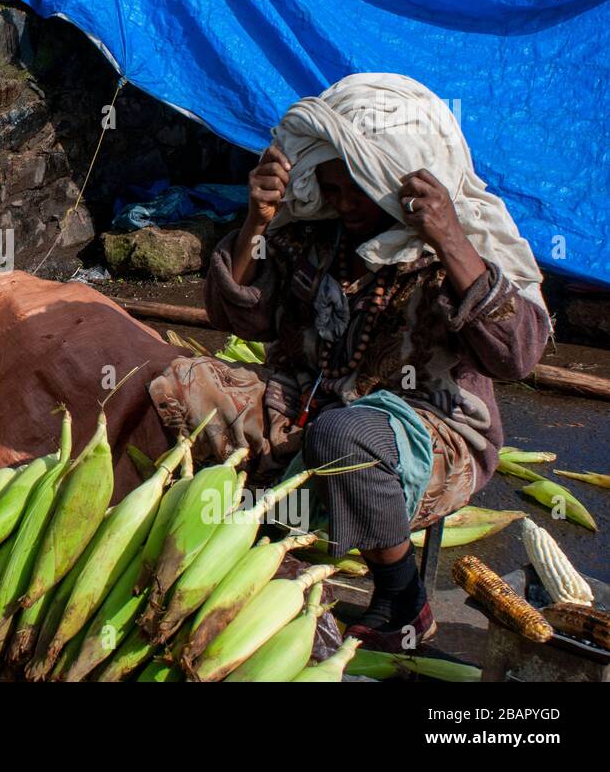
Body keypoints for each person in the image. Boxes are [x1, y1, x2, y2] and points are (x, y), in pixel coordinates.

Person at [147, 73, 550, 651]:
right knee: (182, 383)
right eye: (331, 188)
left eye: (357, 189)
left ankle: (404, 600)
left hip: (427, 437)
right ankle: (222, 541)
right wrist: (256, 224)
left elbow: (516, 356)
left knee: (344, 434)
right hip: (305, 406)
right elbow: (242, 319)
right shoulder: (316, 237)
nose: (343, 204)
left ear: (393, 182)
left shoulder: (458, 248)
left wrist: (449, 238)